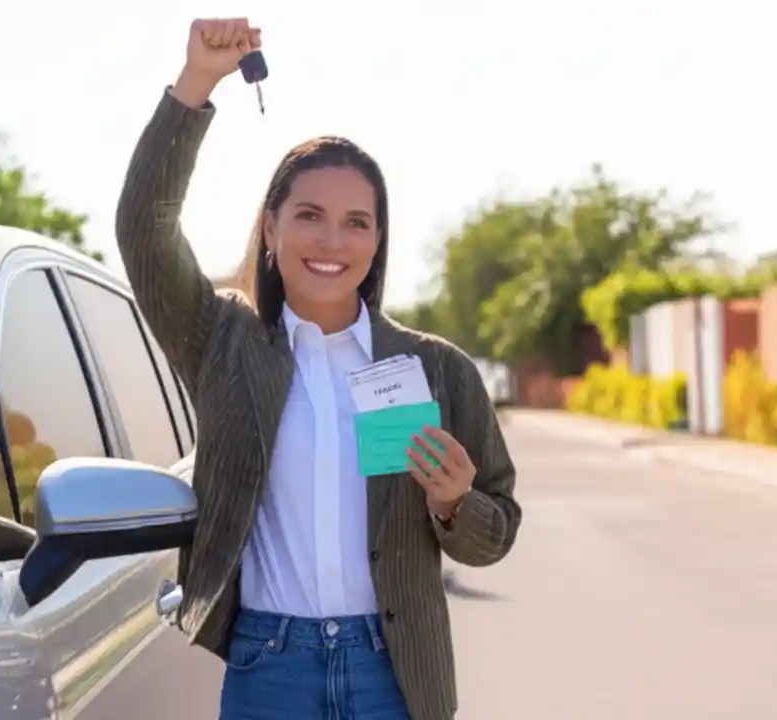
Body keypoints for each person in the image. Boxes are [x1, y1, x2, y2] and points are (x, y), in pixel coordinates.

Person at [116, 17, 521, 720]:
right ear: (271, 229)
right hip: (269, 666)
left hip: (393, 676)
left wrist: (456, 504)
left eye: (356, 222)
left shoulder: (437, 370)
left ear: (378, 239)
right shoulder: (225, 344)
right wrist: (197, 83)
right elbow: (143, 230)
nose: (332, 240)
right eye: (309, 215)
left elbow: (495, 534)